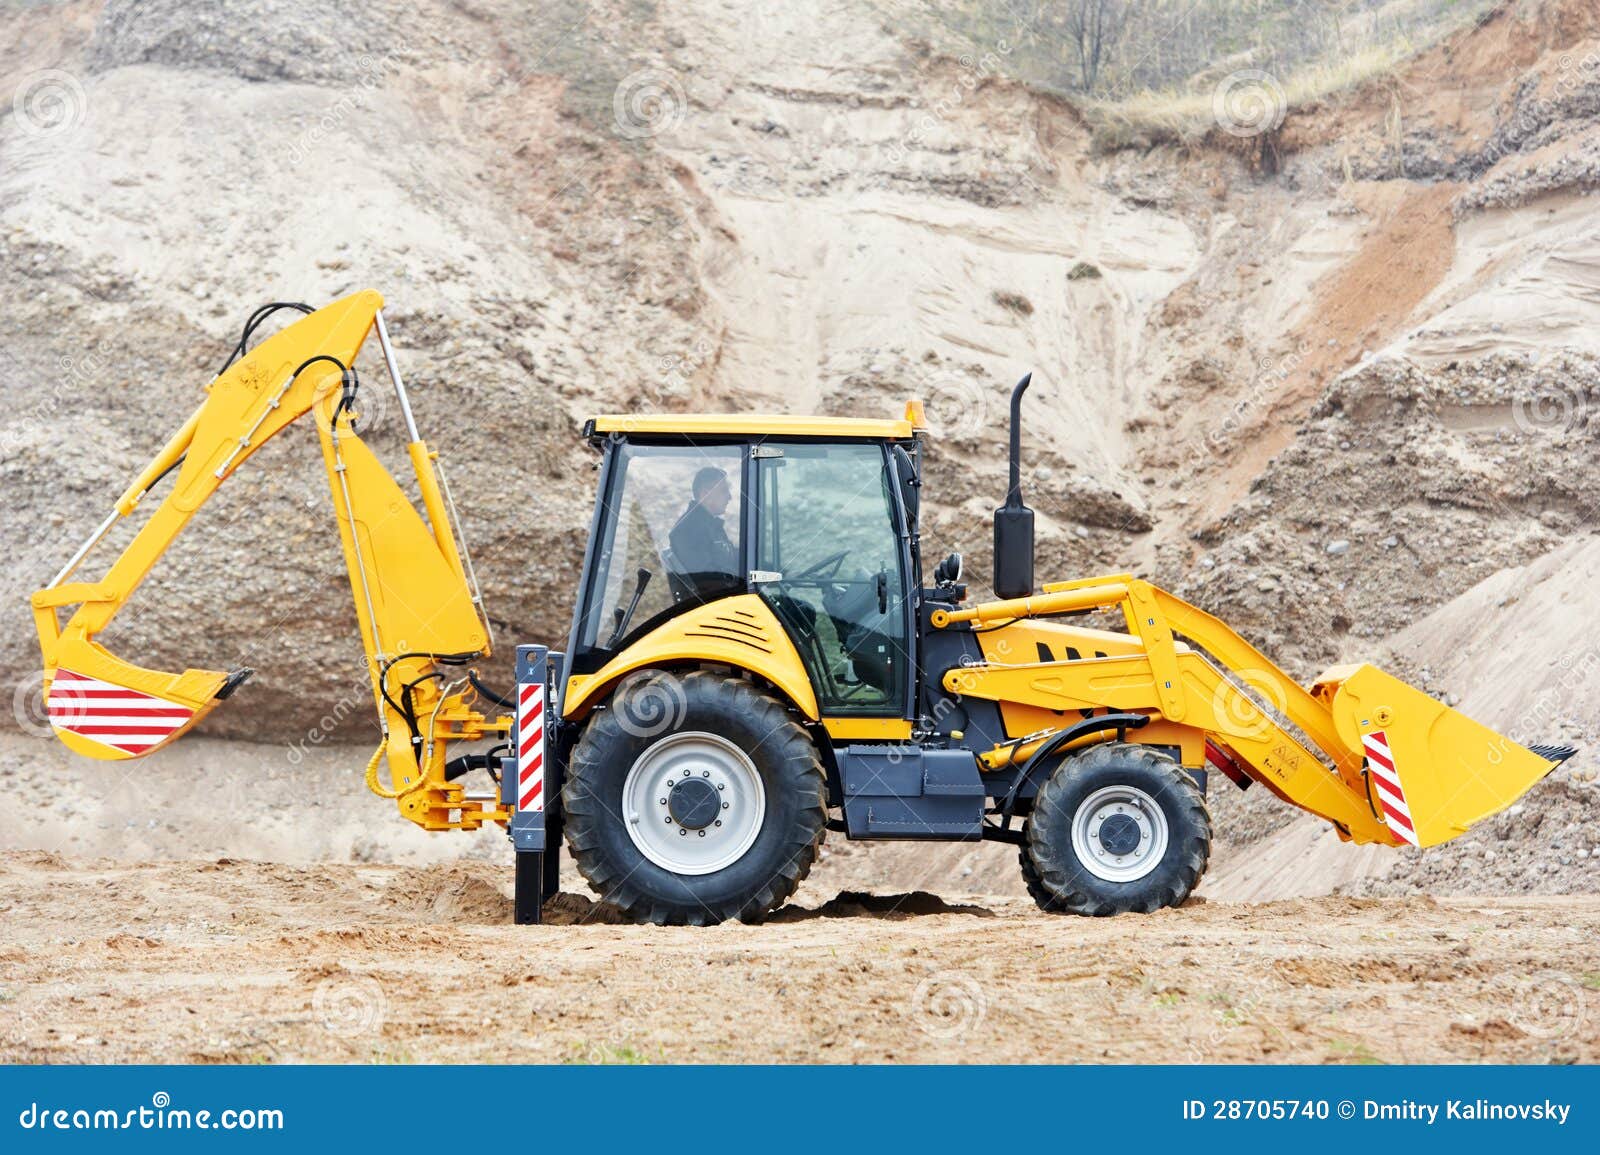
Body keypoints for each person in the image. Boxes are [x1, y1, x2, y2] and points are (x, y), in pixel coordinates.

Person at [668, 466, 739, 597]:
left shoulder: (711, 526)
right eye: (724, 491)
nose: (729, 497)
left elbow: (733, 558)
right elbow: (706, 582)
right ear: (706, 493)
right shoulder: (688, 530)